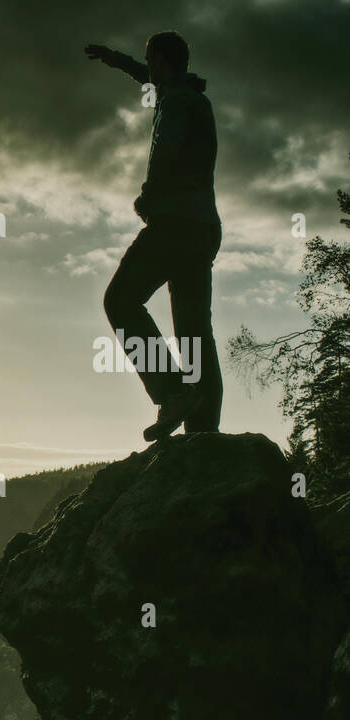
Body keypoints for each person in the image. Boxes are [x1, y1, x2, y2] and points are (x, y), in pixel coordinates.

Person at [86, 32, 223, 441]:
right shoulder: (192, 95)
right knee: (194, 331)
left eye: (150, 60)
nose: (147, 68)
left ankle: (172, 392)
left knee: (120, 301)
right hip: (203, 227)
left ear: (162, 61)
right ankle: (202, 429)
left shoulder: (176, 102)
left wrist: (147, 197)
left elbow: (166, 152)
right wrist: (118, 60)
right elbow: (147, 77)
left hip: (173, 223)